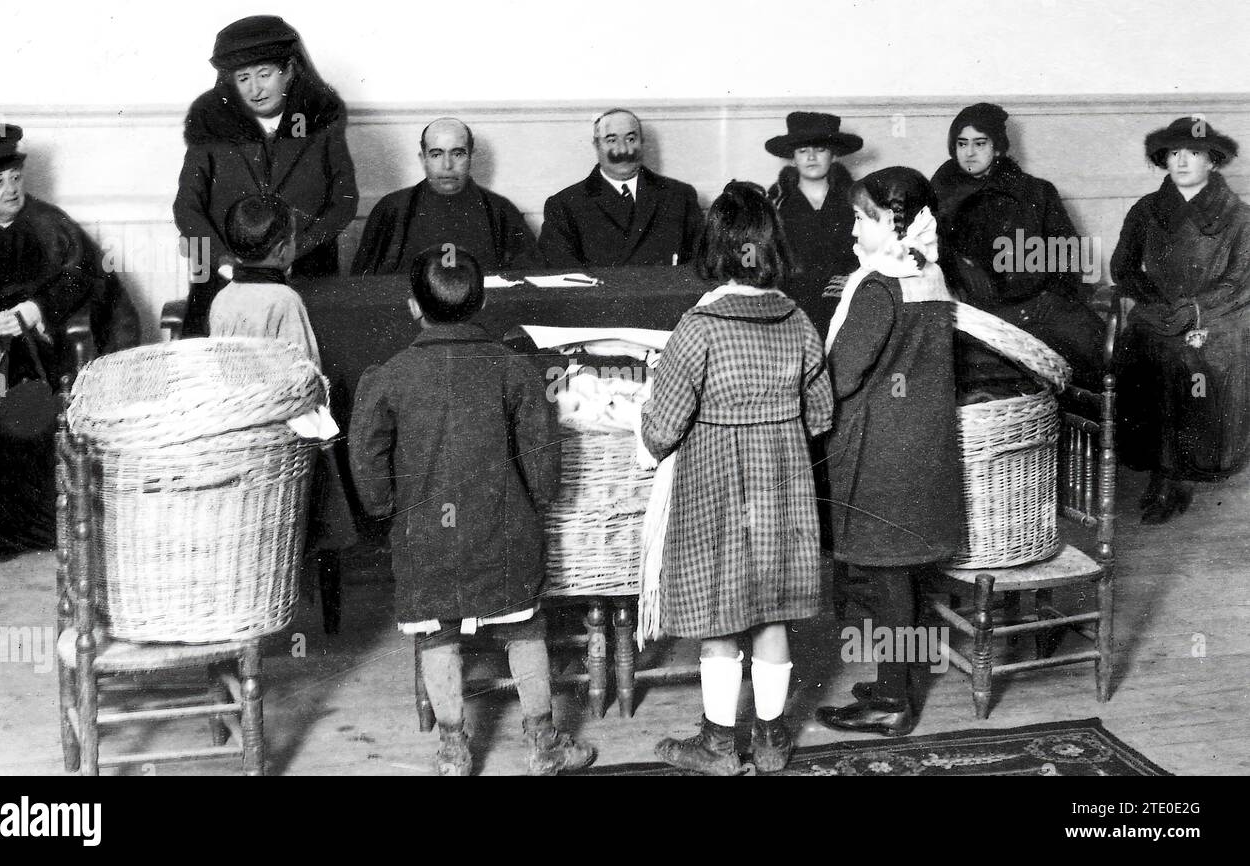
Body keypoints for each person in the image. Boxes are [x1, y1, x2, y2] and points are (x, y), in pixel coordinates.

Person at [348, 246, 596, 776]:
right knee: (525, 629)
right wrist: (541, 497)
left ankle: (453, 750)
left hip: (425, 535)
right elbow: (541, 456)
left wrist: (386, 508)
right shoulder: (513, 371)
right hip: (504, 529)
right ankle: (544, 745)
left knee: (436, 635)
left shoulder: (387, 377)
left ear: (414, 305)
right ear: (481, 302)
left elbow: (366, 457)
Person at [641, 181, 833, 774]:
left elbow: (661, 430)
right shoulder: (799, 321)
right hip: (782, 493)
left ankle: (719, 747)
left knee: (720, 619)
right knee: (771, 613)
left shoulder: (697, 328)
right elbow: (822, 414)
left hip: (714, 493)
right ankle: (773, 743)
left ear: (715, 248)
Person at [815, 167, 962, 737]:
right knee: (898, 576)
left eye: (862, 218)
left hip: (880, 452)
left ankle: (893, 701)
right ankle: (892, 682)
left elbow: (843, 374)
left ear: (894, 223)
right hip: (921, 446)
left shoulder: (879, 286)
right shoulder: (928, 275)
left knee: (887, 578)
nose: (854, 229)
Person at [0, 123, 139, 564]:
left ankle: (38, 525)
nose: (12, 188)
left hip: (36, 346)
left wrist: (34, 310)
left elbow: (85, 278)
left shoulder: (48, 222)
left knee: (34, 402)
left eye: (15, 177)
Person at [209, 193, 357, 630]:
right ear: (283, 250)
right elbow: (304, 373)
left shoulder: (224, 298)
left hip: (242, 429)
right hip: (285, 435)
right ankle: (329, 615)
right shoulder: (284, 301)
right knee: (329, 495)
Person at [174, 15, 358, 335]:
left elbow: (344, 201)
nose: (255, 89)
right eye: (243, 78)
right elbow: (186, 206)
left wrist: (292, 252)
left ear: (288, 71)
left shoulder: (321, 118)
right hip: (226, 282)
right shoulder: (210, 126)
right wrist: (225, 262)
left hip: (307, 275)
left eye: (264, 74)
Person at [1111, 117, 1250, 525]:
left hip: (1218, 317)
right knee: (1146, 351)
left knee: (1192, 358)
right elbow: (1124, 269)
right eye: (1174, 153)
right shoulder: (1146, 210)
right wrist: (1155, 304)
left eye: (1193, 152)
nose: (1183, 161)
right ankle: (1161, 469)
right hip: (1158, 312)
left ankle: (1180, 474)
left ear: (1213, 161)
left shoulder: (1240, 217)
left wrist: (1194, 311)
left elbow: (1242, 280)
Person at [931, 102, 1104, 388]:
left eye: (980, 143)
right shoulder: (938, 196)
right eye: (962, 144)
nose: (969, 152)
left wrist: (1047, 295)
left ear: (998, 147)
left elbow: (1068, 256)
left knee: (1089, 346)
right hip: (977, 314)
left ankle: (1092, 428)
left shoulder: (1036, 192)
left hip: (1038, 303)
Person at [351, 118, 539, 275]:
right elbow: (364, 285)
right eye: (436, 154)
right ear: (422, 158)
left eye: (457, 154)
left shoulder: (500, 210)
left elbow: (528, 279)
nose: (447, 165)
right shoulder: (392, 208)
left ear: (471, 156)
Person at [539, 108, 703, 268]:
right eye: (611, 140)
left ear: (642, 141)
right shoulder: (564, 205)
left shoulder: (680, 196)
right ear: (596, 145)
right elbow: (562, 275)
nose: (623, 150)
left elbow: (700, 264)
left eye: (631, 139)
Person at [765, 112, 862, 304]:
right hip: (789, 305)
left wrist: (856, 281)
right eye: (802, 151)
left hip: (845, 303)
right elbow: (753, 253)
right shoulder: (776, 203)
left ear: (834, 155)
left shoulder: (857, 202)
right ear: (792, 159)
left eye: (820, 149)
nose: (811, 157)